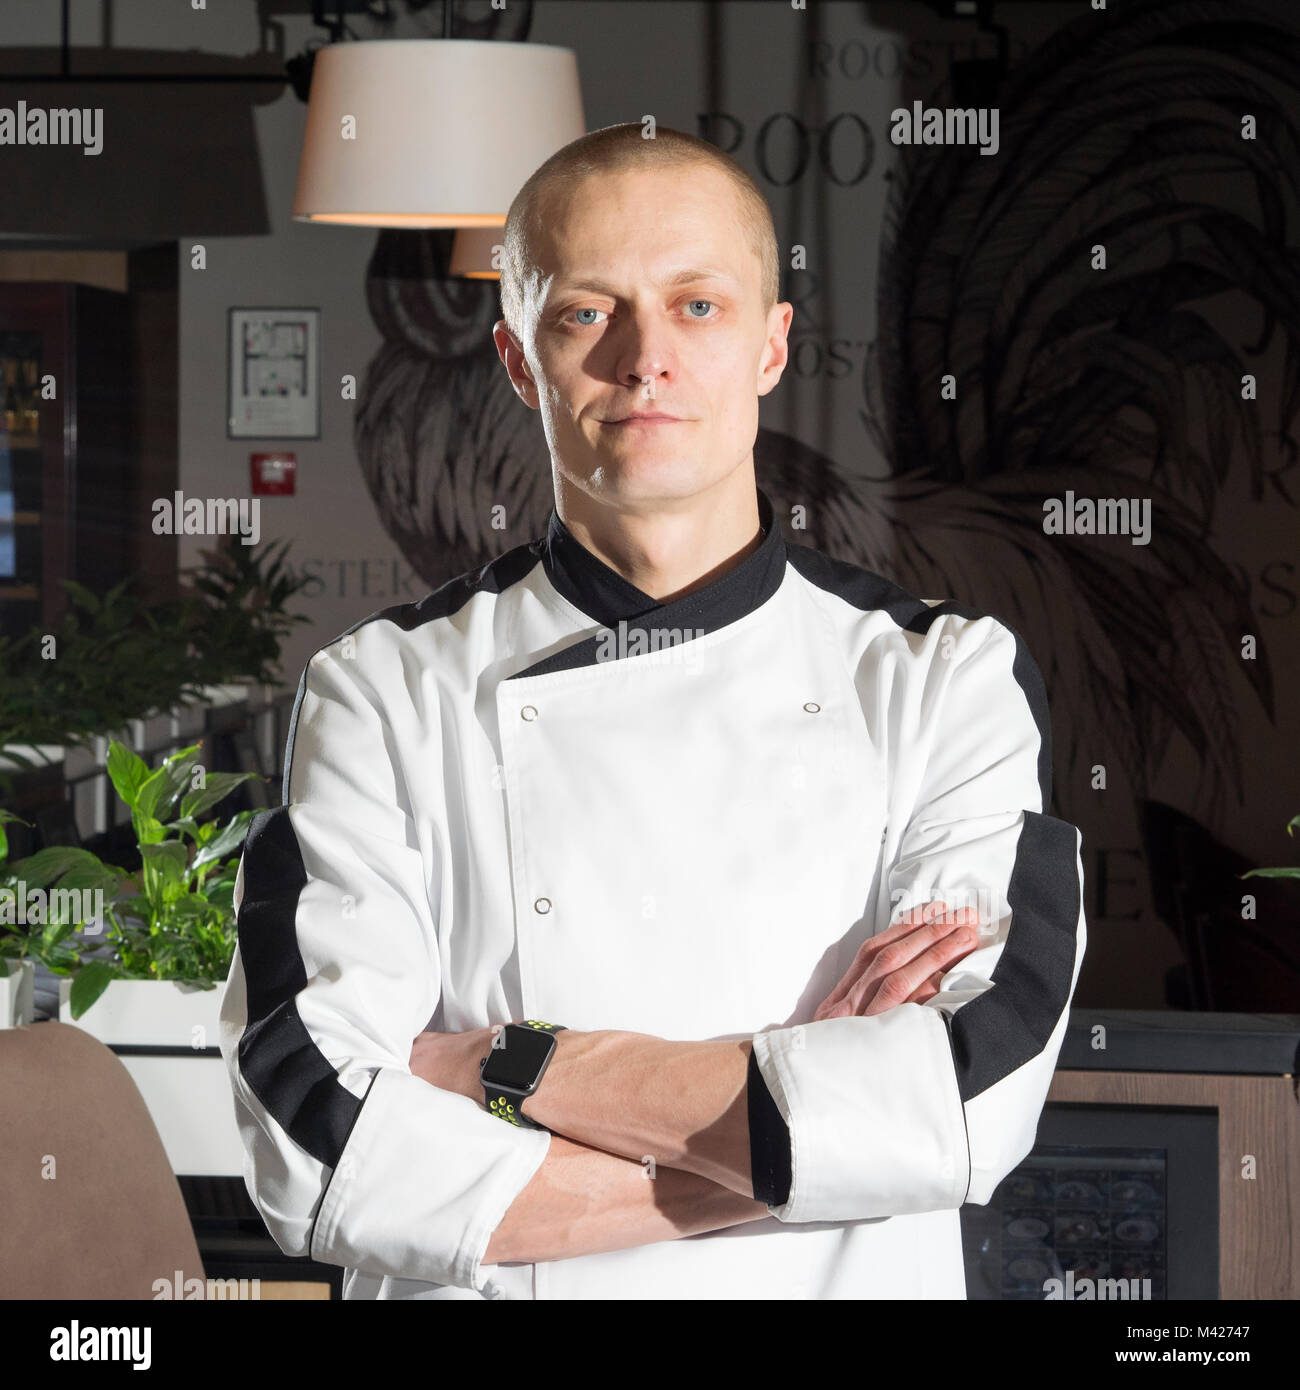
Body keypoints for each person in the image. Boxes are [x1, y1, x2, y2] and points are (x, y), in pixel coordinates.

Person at [219, 123, 1086, 1300]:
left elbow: (963, 1101)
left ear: (772, 346)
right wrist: (812, 1135)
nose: (643, 360)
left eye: (697, 306)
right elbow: (321, 1142)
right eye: (586, 313)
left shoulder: (942, 678)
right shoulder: (384, 691)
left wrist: (510, 1061)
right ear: (521, 361)